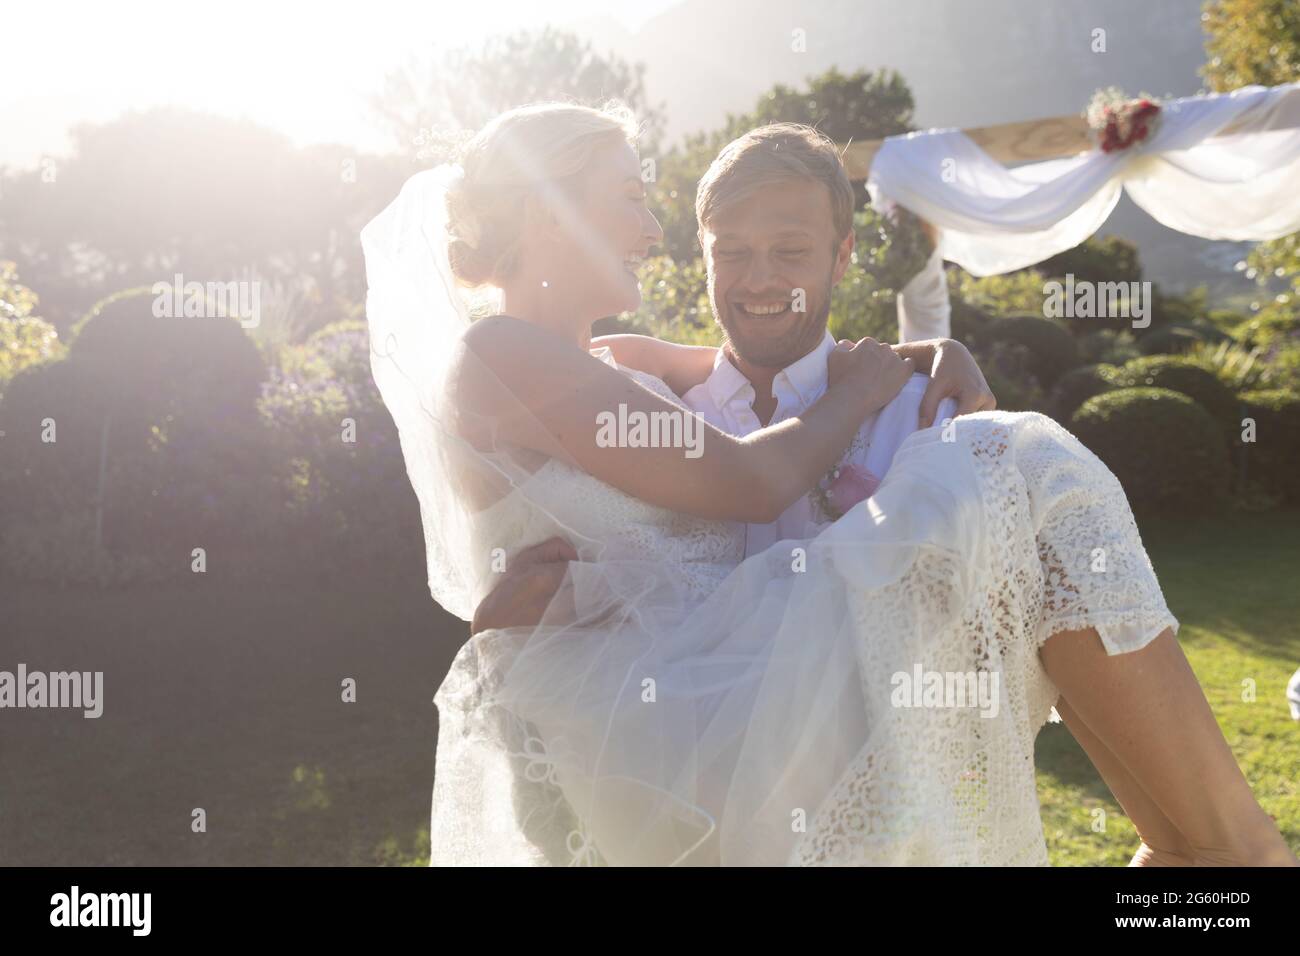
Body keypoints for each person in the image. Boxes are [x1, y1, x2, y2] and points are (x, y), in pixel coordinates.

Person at [362, 102, 1296, 867]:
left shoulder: (607, 355)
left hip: (737, 662)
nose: (652, 230)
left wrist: (933, 350)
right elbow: (751, 474)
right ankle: (1232, 857)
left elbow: (757, 356)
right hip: (678, 718)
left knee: (1026, 496)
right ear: (545, 210)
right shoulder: (499, 354)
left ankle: (1199, 864)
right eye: (630, 199)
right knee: (1026, 472)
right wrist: (860, 391)